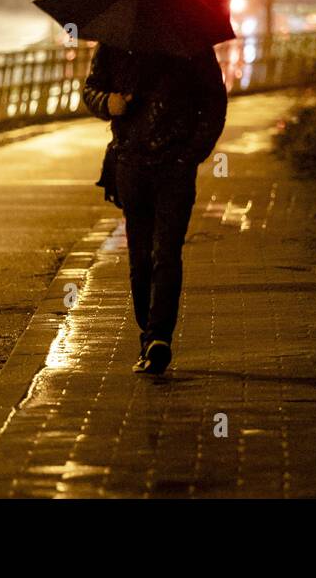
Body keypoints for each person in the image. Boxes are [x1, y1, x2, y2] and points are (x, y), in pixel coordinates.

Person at [83, 42, 227, 375]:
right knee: (141, 254)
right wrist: (109, 103)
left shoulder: (191, 45)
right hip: (131, 165)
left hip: (174, 167)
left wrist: (190, 154)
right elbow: (92, 89)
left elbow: (214, 101)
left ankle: (158, 336)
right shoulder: (116, 43)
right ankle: (149, 333)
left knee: (166, 250)